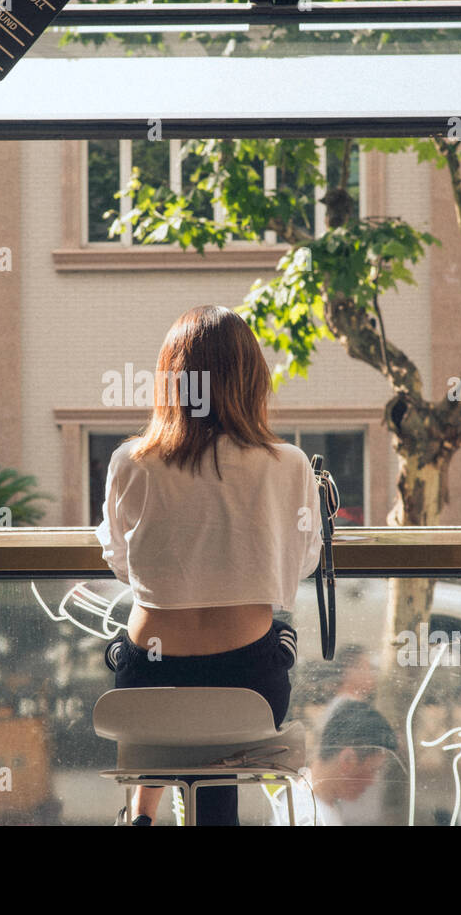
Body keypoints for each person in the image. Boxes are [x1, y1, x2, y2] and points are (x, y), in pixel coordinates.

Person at [97, 304, 322, 826]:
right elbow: (302, 564)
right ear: (252, 380)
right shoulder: (287, 464)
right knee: (273, 643)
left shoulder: (131, 461)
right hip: (246, 683)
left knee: (148, 675)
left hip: (149, 678)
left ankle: (140, 814)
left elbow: (122, 565)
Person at [270, 699, 400, 826]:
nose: (372, 781)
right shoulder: (309, 817)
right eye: (372, 769)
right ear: (347, 759)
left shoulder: (317, 804)